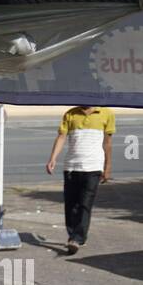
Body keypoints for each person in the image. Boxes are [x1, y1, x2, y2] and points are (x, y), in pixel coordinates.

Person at [46, 105, 115, 254]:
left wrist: (107, 167)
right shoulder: (70, 114)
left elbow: (107, 143)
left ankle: (77, 238)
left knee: (85, 204)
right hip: (71, 166)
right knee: (71, 204)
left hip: (93, 167)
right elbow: (62, 136)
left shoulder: (106, 114)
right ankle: (72, 235)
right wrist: (53, 158)